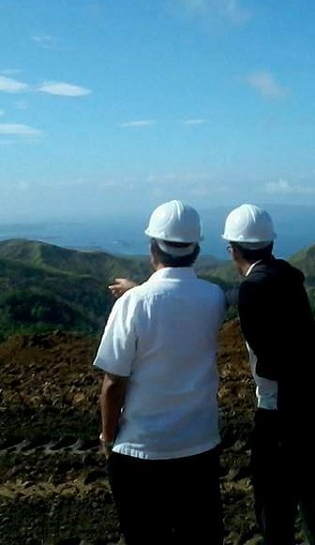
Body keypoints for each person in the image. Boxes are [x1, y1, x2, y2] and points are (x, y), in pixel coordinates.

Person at [94, 199, 227, 545]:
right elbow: (178, 305)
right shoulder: (214, 298)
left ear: (153, 248)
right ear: (196, 249)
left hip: (141, 451)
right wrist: (137, 292)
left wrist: (108, 438)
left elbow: (113, 383)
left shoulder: (133, 304)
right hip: (199, 446)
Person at [222, 203, 315, 545]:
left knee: (274, 514)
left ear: (233, 249)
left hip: (283, 414)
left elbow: (271, 362)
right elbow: (240, 292)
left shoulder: (254, 290)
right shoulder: (286, 275)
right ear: (269, 244)